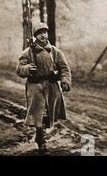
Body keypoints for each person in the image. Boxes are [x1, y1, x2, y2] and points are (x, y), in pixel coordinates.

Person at [16, 22, 72, 154]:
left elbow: (64, 68)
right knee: (39, 113)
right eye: (40, 33)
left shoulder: (55, 52)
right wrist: (28, 69)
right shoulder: (28, 52)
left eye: (45, 32)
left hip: (51, 86)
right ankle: (42, 140)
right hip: (35, 86)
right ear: (35, 36)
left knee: (48, 113)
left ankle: (40, 134)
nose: (43, 35)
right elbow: (19, 69)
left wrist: (65, 81)